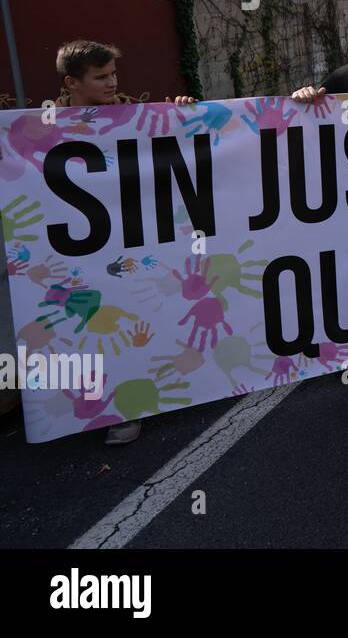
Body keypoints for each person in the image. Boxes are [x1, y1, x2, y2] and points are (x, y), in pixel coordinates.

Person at [52, 40, 197, 445]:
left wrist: (184, 109)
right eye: (101, 77)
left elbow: (178, 138)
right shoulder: (44, 127)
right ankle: (108, 408)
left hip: (135, 240)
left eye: (113, 74)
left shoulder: (132, 113)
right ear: (71, 83)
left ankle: (147, 397)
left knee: (139, 317)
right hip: (81, 250)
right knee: (94, 327)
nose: (112, 83)